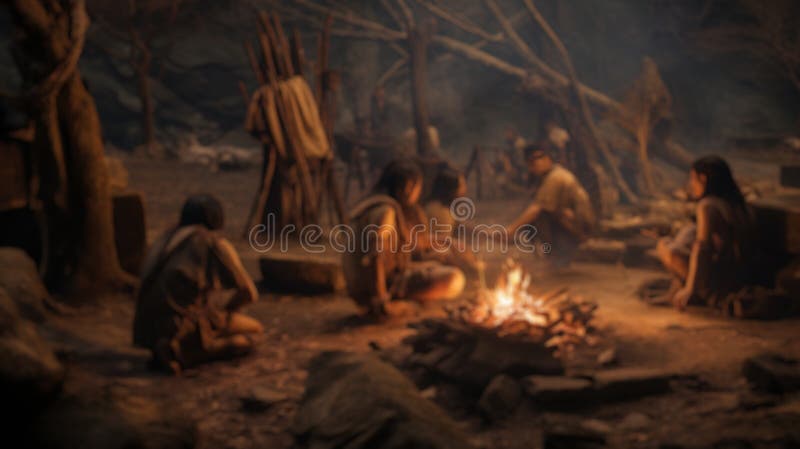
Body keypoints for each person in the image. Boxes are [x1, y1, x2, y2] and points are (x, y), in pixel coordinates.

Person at [133, 194, 263, 374]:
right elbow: (249, 293)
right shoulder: (211, 242)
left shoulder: (166, 238)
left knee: (213, 320)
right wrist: (226, 310)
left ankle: (169, 345)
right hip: (181, 322)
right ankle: (185, 352)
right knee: (252, 334)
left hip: (145, 328)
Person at [342, 160, 465, 317]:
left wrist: (446, 241)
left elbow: (413, 242)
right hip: (374, 287)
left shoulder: (374, 205)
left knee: (435, 262)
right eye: (417, 187)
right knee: (455, 279)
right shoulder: (386, 212)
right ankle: (394, 301)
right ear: (408, 187)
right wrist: (380, 299)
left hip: (364, 285)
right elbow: (376, 255)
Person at [656, 156, 755, 310]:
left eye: (693, 179)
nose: (691, 184)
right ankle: (681, 290)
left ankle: (696, 292)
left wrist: (691, 288)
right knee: (679, 239)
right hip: (740, 275)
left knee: (666, 247)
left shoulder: (708, 205)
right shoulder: (737, 204)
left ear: (703, 179)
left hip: (720, 279)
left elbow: (702, 249)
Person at [506, 142, 595, 268]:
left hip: (578, 225)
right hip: (568, 220)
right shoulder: (548, 175)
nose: (538, 163)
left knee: (538, 215)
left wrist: (511, 230)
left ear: (548, 158)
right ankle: (554, 253)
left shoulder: (556, 177)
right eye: (533, 161)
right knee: (532, 218)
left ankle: (561, 254)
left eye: (541, 158)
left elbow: (536, 209)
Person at [423, 164, 483, 276]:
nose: (465, 188)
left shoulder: (441, 207)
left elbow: (461, 226)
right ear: (451, 189)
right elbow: (440, 245)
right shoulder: (440, 213)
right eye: (462, 185)